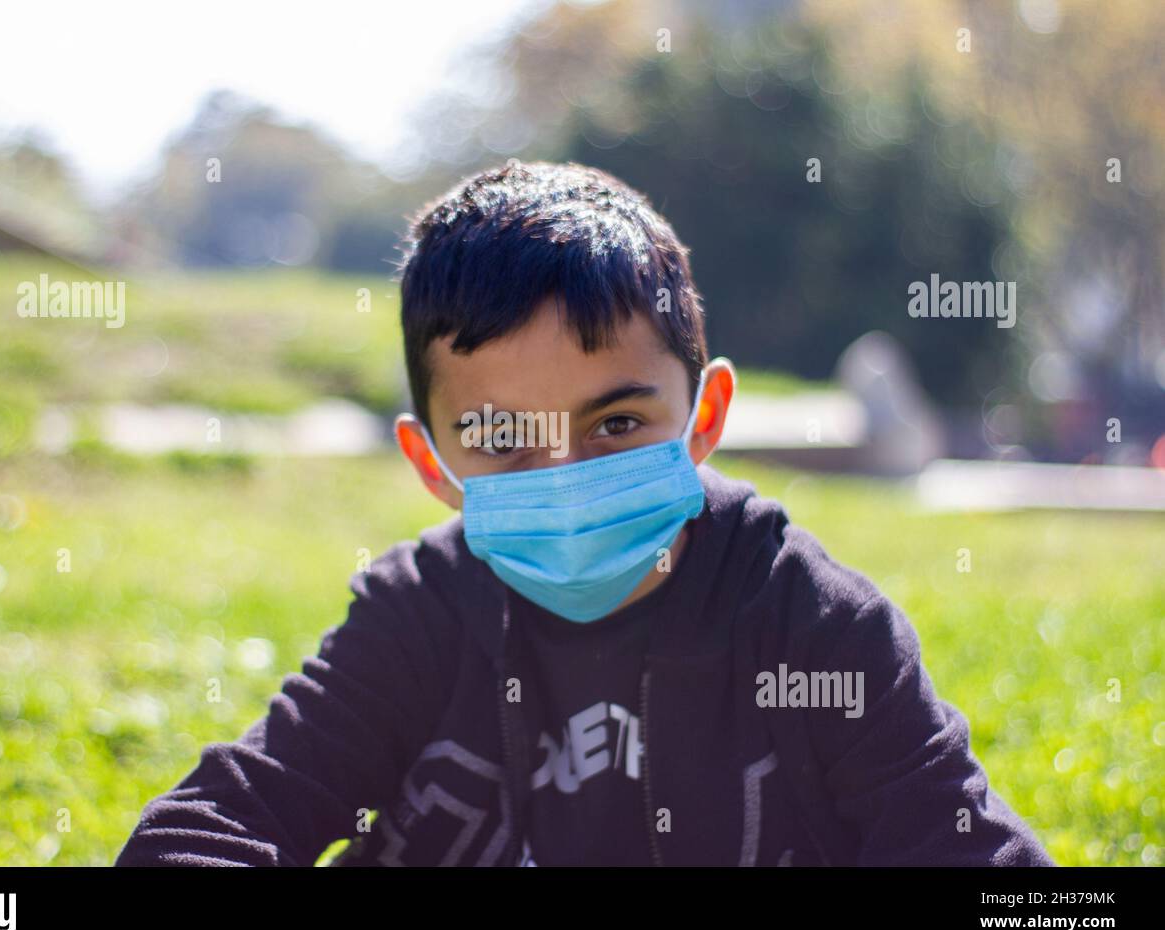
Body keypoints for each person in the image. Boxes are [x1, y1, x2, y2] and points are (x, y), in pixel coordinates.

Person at [115, 160, 1053, 866]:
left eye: (615, 421)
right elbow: (225, 818)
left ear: (704, 418)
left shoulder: (817, 629)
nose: (564, 474)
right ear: (431, 462)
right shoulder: (416, 621)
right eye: (501, 436)